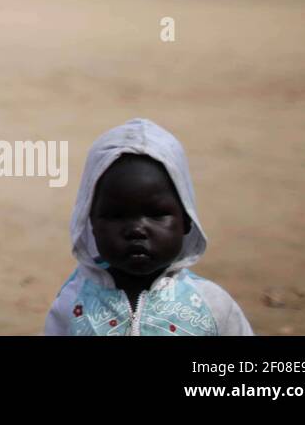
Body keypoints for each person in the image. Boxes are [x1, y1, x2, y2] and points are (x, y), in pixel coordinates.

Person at [44, 117, 253, 336]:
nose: (136, 230)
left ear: (186, 219)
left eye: (156, 214)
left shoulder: (214, 306)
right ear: (91, 223)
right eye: (116, 215)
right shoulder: (73, 303)